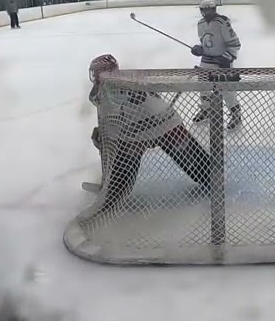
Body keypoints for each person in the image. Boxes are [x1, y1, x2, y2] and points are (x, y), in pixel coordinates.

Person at [86, 54, 212, 210]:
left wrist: (104, 135)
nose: (94, 77)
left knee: (122, 171)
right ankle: (213, 177)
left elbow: (108, 108)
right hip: (161, 123)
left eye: (96, 72)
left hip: (150, 129)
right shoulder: (124, 80)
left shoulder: (108, 89)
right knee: (204, 170)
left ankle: (113, 191)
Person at [190, 0, 242, 130]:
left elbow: (235, 43)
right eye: (204, 10)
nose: (207, 13)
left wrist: (228, 57)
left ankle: (235, 114)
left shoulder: (222, 22)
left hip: (222, 62)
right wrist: (199, 49)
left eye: (210, 10)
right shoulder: (200, 24)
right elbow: (205, 42)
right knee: (203, 86)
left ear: (214, 9)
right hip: (206, 61)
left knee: (226, 89)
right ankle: (206, 110)